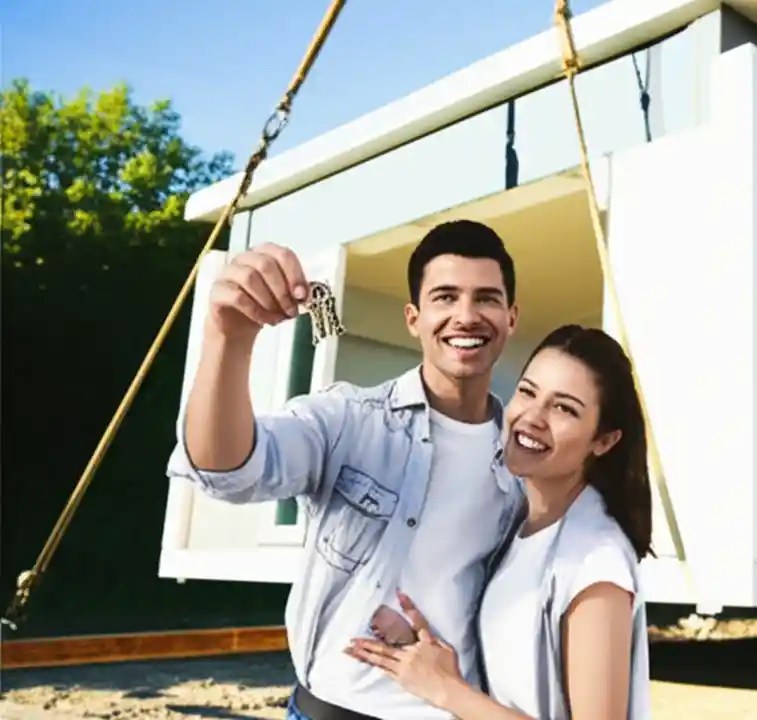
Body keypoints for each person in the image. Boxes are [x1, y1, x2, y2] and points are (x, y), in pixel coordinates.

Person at [166, 220, 528, 720]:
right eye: (444, 298)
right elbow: (227, 469)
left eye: (486, 298)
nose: (466, 316)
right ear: (413, 317)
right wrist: (228, 336)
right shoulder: (348, 421)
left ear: (511, 317)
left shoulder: (526, 463)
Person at [345, 324, 653, 720]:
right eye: (527, 391)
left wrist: (447, 690)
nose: (533, 417)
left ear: (604, 440)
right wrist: (428, 648)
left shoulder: (595, 562)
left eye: (564, 408)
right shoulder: (524, 524)